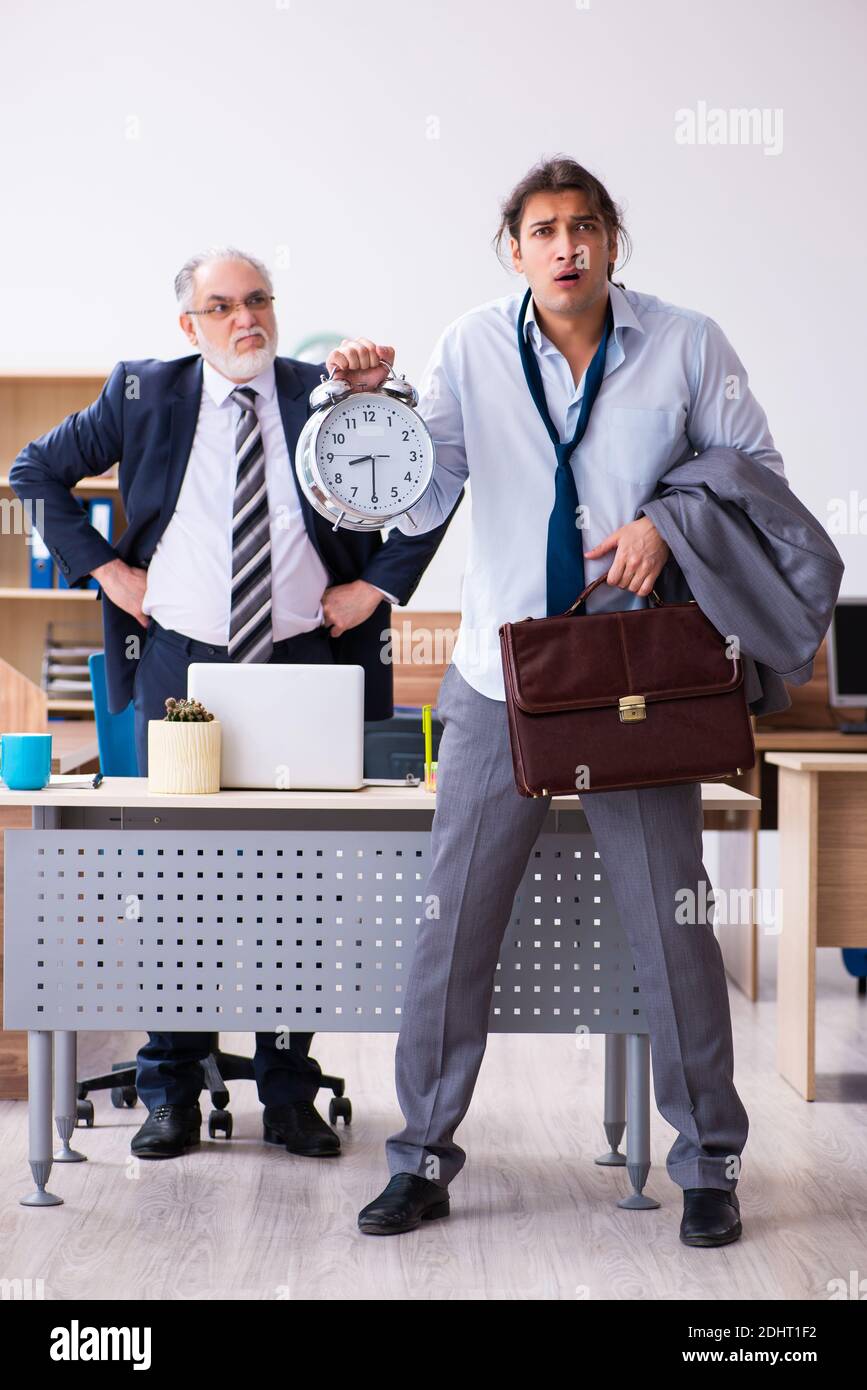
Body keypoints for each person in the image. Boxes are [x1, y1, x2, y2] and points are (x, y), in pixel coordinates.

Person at [332, 156, 786, 1245]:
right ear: (516, 247)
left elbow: (754, 466)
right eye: (543, 228)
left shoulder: (686, 342)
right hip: (501, 674)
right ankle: (422, 1155)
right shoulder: (469, 347)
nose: (566, 245)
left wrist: (664, 524)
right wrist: (364, 413)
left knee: (675, 928)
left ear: (614, 241)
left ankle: (709, 1166)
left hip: (635, 673)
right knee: (453, 926)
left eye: (584, 225)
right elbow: (422, 494)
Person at [10, 247, 461, 1162]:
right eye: (221, 307)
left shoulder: (320, 392)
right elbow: (34, 471)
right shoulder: (144, 391)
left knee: (299, 883)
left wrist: (375, 587)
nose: (244, 318)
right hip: (178, 663)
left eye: (257, 301)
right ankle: (168, 1088)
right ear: (189, 324)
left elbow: (425, 481)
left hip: (306, 657)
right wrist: (103, 570)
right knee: (168, 884)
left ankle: (288, 1091)